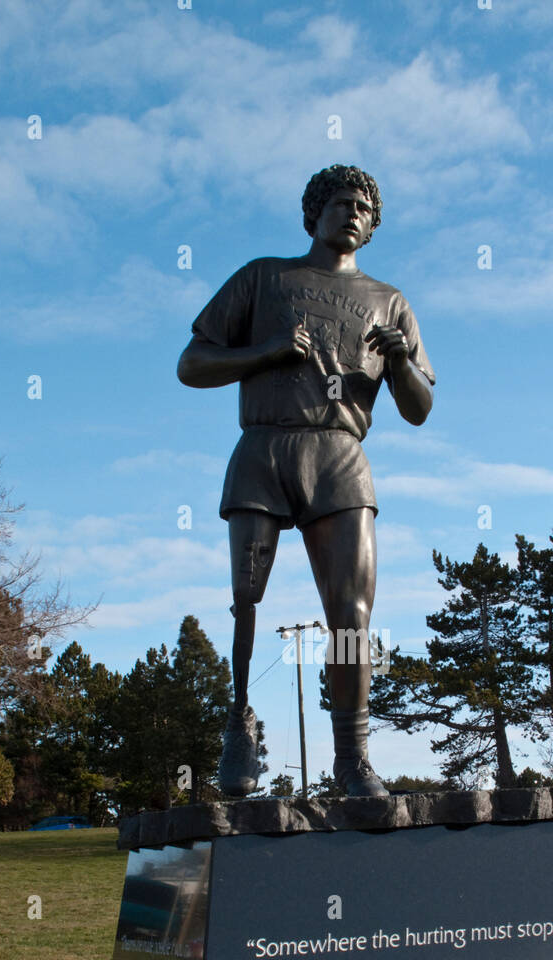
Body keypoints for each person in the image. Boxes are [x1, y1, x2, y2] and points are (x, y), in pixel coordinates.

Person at [177, 164, 434, 798]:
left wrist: (401, 360)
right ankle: (238, 722)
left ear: (372, 228)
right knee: (246, 598)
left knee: (351, 613)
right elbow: (192, 363)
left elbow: (419, 408)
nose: (352, 214)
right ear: (314, 214)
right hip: (264, 447)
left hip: (340, 455)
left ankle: (353, 758)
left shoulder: (390, 301)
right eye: (341, 203)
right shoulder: (265, 277)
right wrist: (266, 352)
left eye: (363, 209)